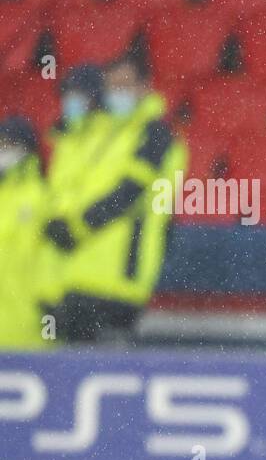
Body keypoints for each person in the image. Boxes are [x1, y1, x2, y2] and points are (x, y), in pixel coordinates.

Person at [42, 55, 185, 342]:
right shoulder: (97, 132)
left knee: (102, 364)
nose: (117, 93)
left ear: (144, 87)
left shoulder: (156, 135)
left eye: (125, 85)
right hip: (74, 274)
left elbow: (129, 193)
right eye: (112, 87)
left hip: (119, 277)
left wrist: (75, 229)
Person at [0, 115, 58, 349]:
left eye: (11, 144)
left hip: (29, 322)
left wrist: (50, 301)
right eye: (2, 144)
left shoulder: (44, 197)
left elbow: (52, 255)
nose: (5, 151)